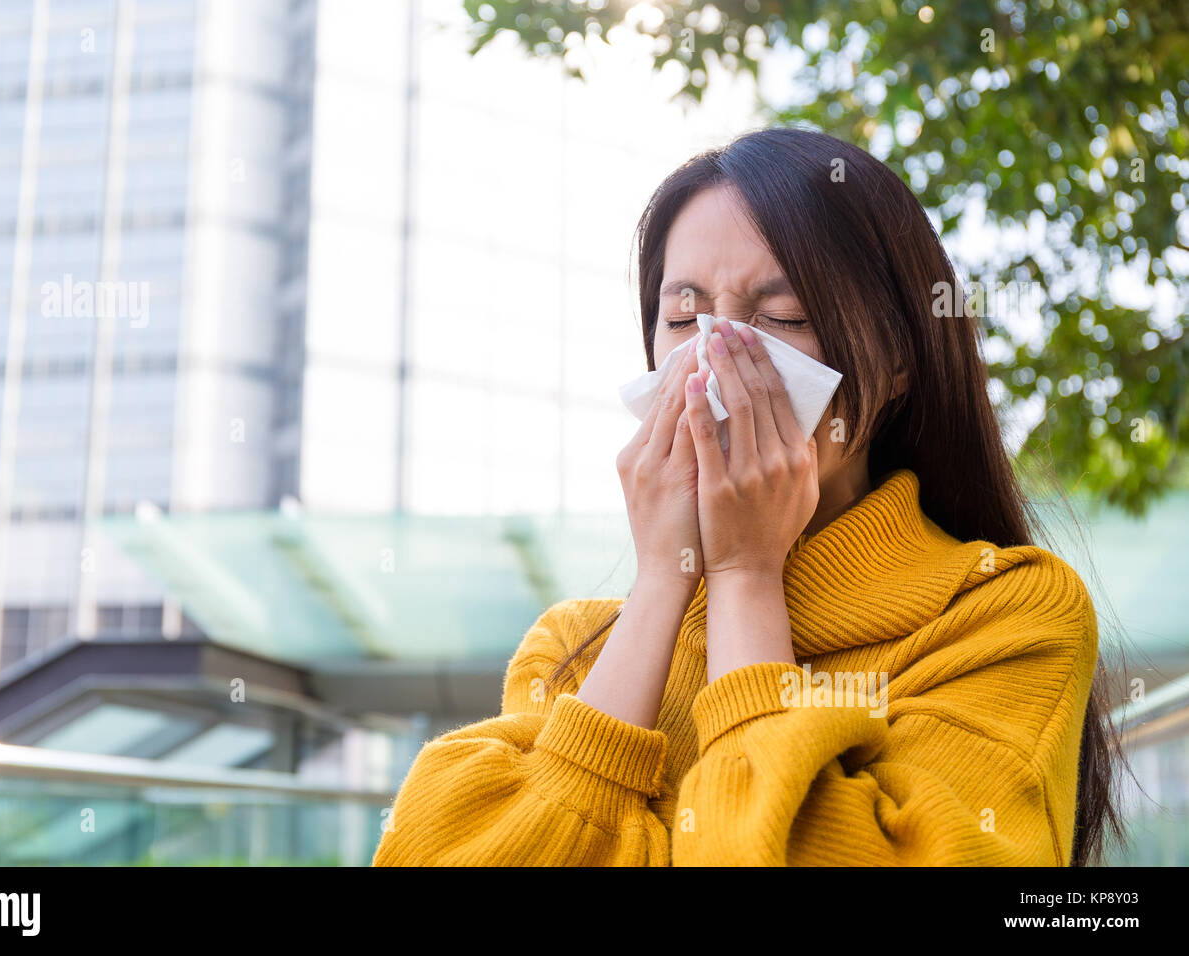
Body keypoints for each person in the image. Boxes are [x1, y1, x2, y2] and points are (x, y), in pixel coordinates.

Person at [372, 126, 1125, 866]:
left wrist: (746, 578)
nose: (717, 357)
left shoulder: (1003, 615)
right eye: (683, 318)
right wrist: (668, 579)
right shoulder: (572, 651)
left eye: (782, 318)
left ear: (897, 360)